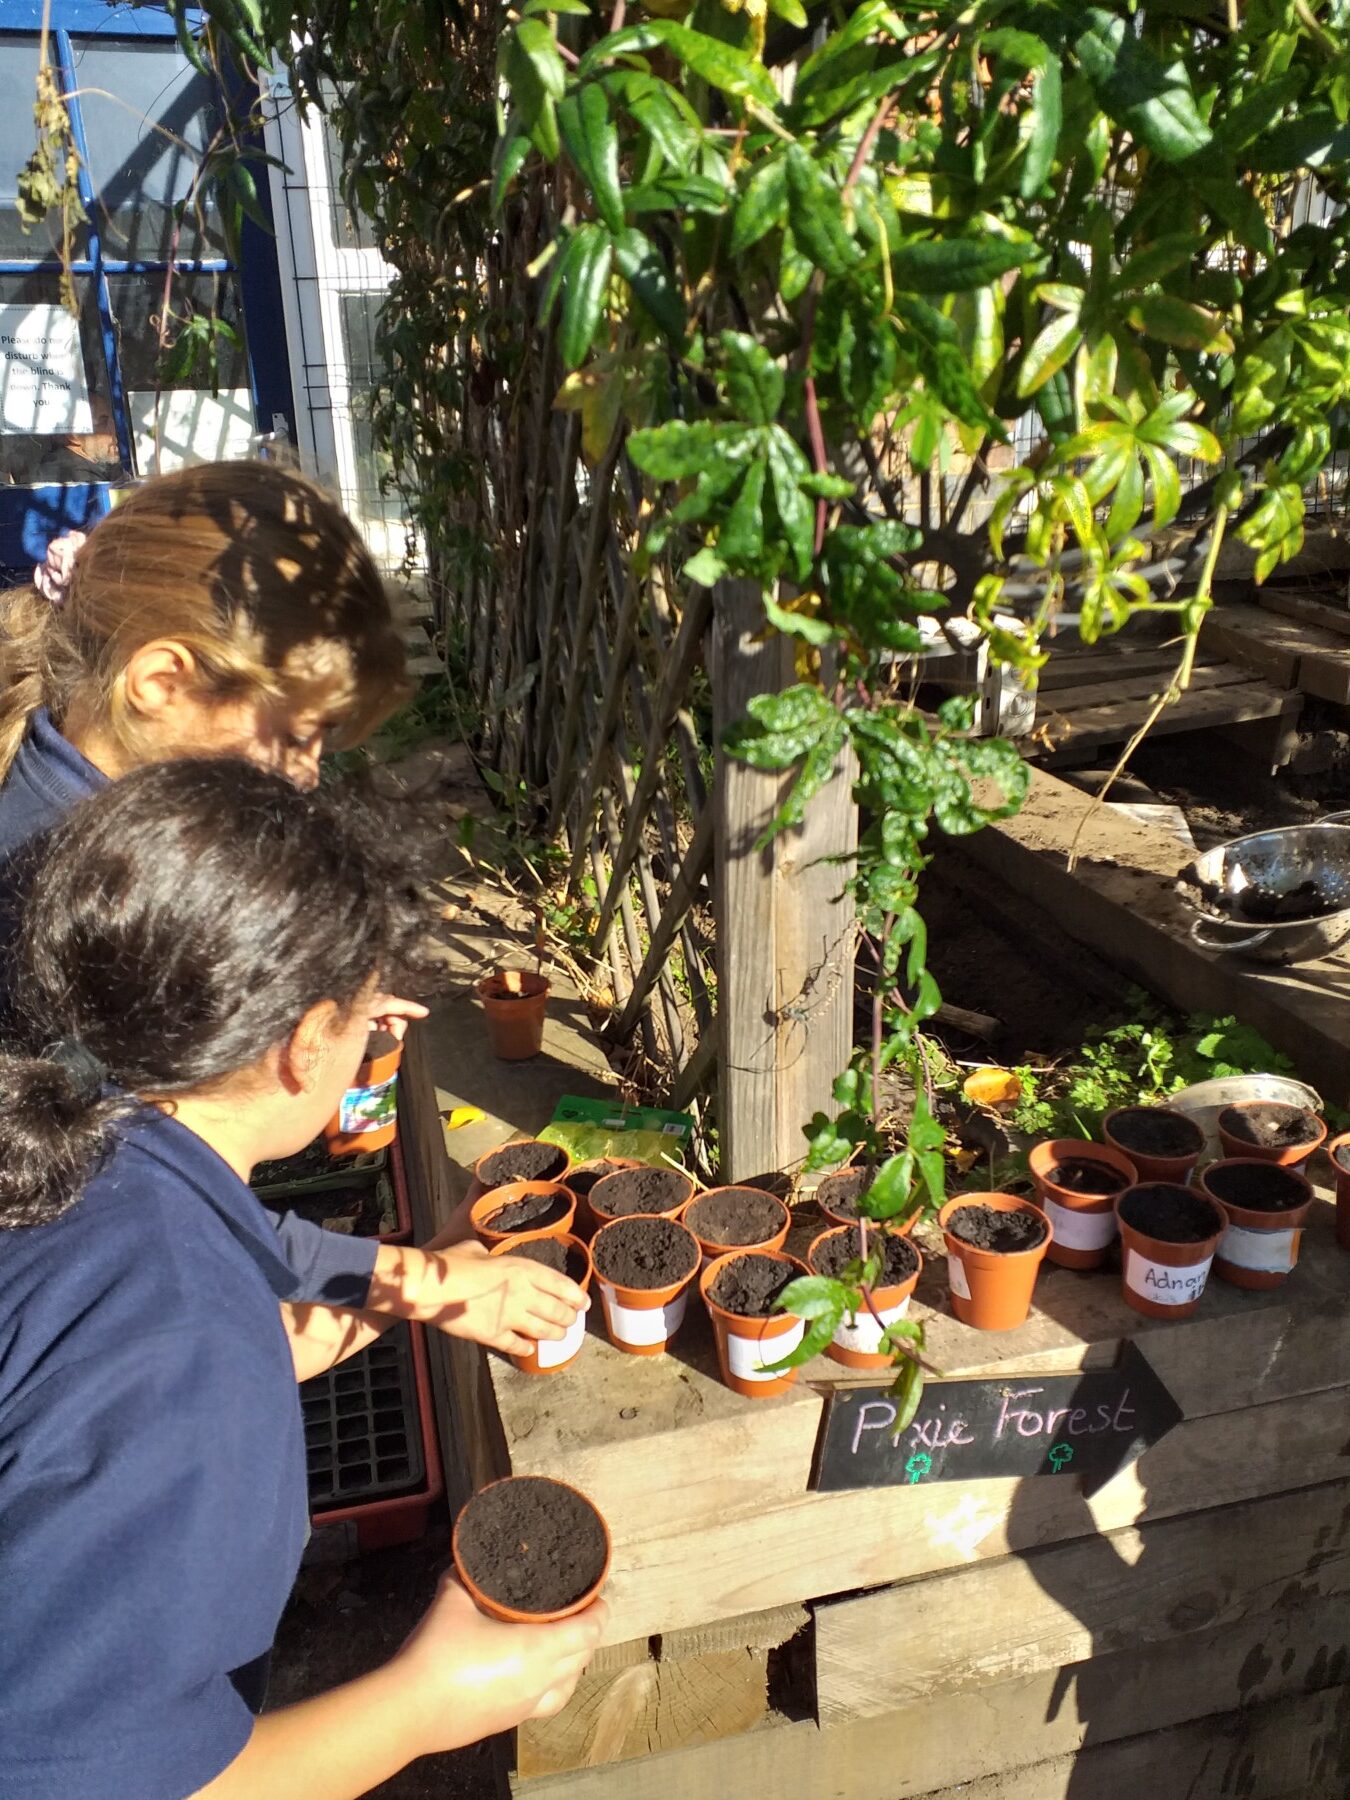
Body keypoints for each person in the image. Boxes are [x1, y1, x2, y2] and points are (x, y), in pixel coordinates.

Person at [0, 760, 606, 1798]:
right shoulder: (183, 1359)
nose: (387, 1028)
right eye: (372, 1009)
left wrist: (423, 1283)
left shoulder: (75, 1138)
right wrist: (431, 1699)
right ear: (304, 1044)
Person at [0, 465, 566, 1363]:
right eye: (296, 738)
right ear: (162, 681)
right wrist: (421, 1283)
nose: (305, 776)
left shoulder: (94, 823)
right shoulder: (52, 917)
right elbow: (160, 1208)